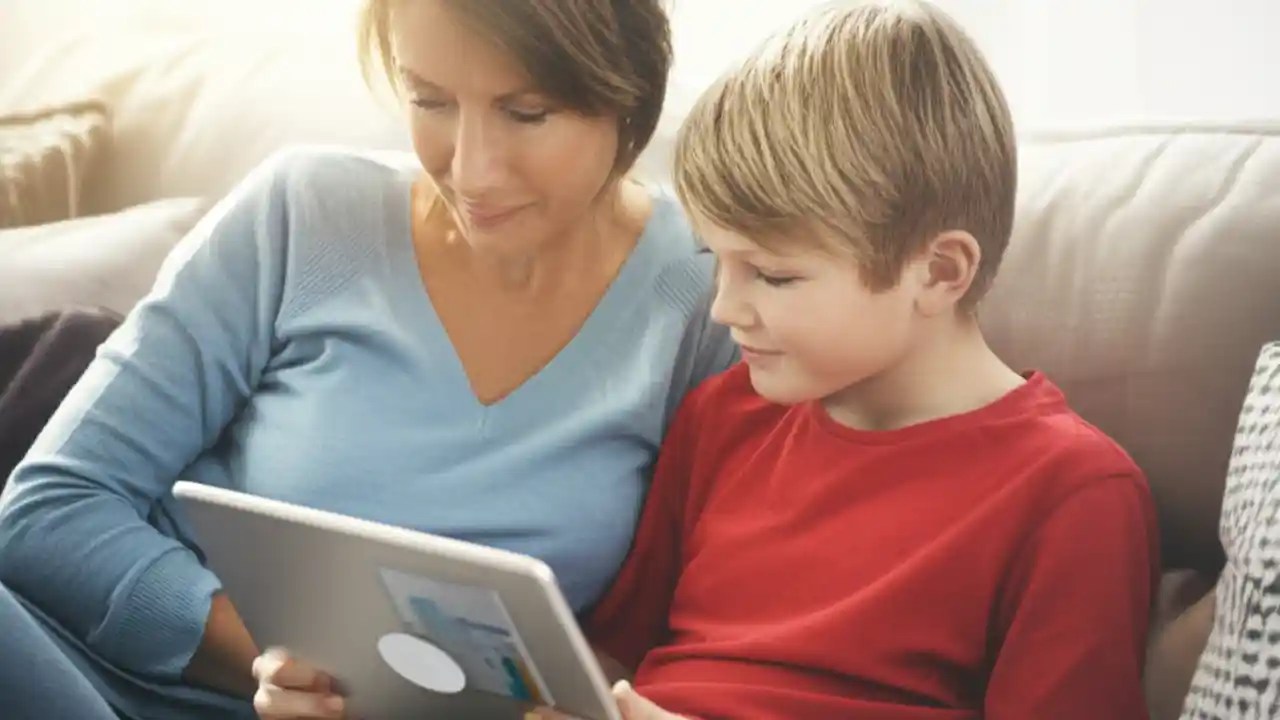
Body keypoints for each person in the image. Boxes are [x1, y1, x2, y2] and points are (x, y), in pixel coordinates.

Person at [0, 0, 734, 718]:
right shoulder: (303, 212)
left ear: (629, 93)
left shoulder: (709, 294)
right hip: (80, 671)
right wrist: (273, 663)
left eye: (526, 112)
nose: (471, 171)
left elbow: (704, 627)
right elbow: (45, 512)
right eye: (430, 100)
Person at [567, 1, 1160, 718]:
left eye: (773, 276)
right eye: (715, 261)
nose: (724, 308)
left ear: (939, 272)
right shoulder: (724, 417)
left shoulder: (1072, 493)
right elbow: (613, 658)